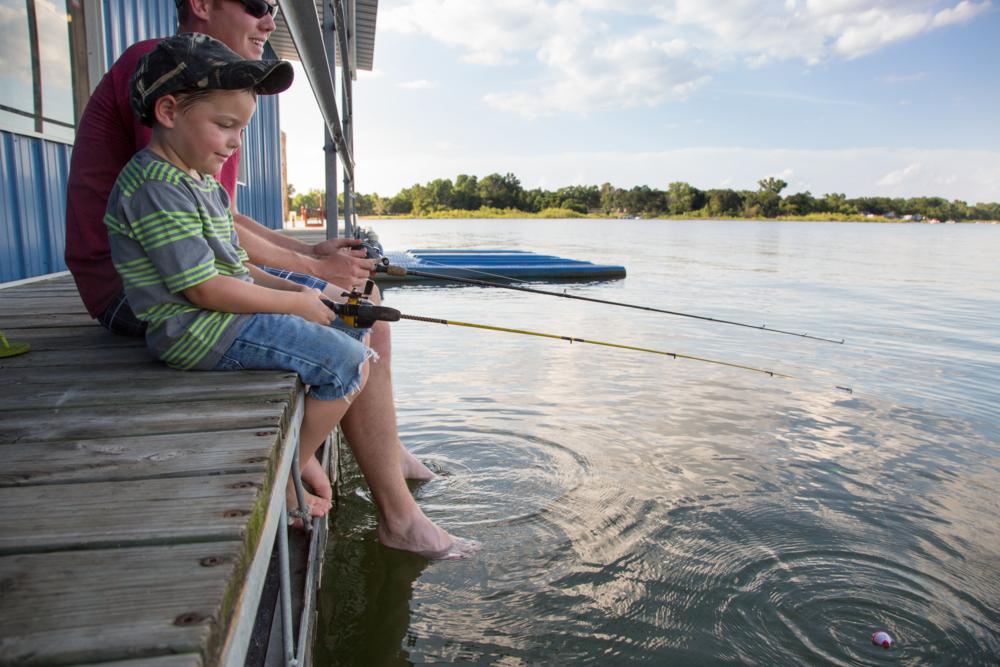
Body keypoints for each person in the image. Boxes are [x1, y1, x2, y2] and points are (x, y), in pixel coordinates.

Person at [105, 33, 479, 560]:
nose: (235, 143)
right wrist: (297, 302)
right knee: (348, 363)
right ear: (168, 110)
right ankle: (292, 468)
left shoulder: (198, 179)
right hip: (195, 331)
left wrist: (313, 292)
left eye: (242, 129)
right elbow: (203, 288)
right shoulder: (154, 187)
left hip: (220, 316)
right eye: (224, 126)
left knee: (352, 321)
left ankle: (331, 452)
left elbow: (241, 266)